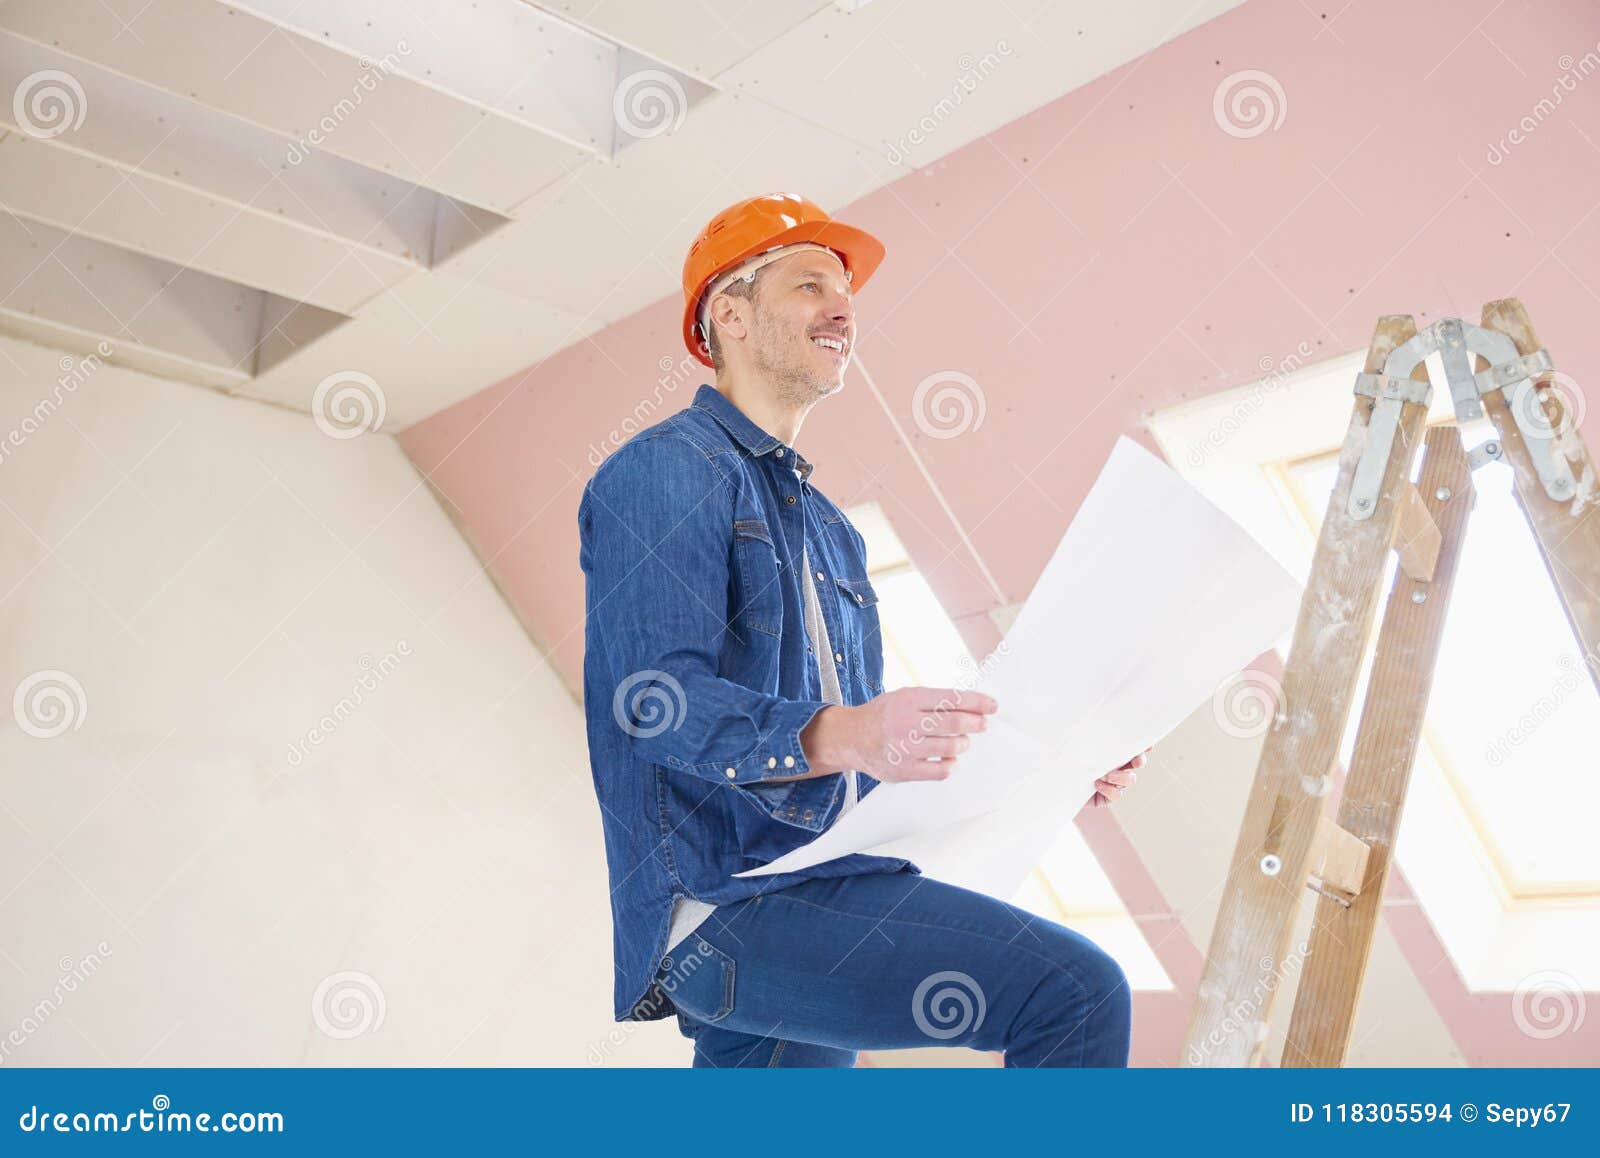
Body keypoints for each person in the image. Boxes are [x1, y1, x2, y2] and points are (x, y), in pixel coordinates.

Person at [578, 193, 1143, 1067]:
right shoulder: (664, 470)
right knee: (1073, 993)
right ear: (730, 314)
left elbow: (853, 761)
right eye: (810, 285)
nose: (843, 309)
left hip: (813, 877)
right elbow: (657, 705)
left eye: (847, 295)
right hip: (732, 904)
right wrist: (853, 732)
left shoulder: (831, 531)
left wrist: (1052, 768)